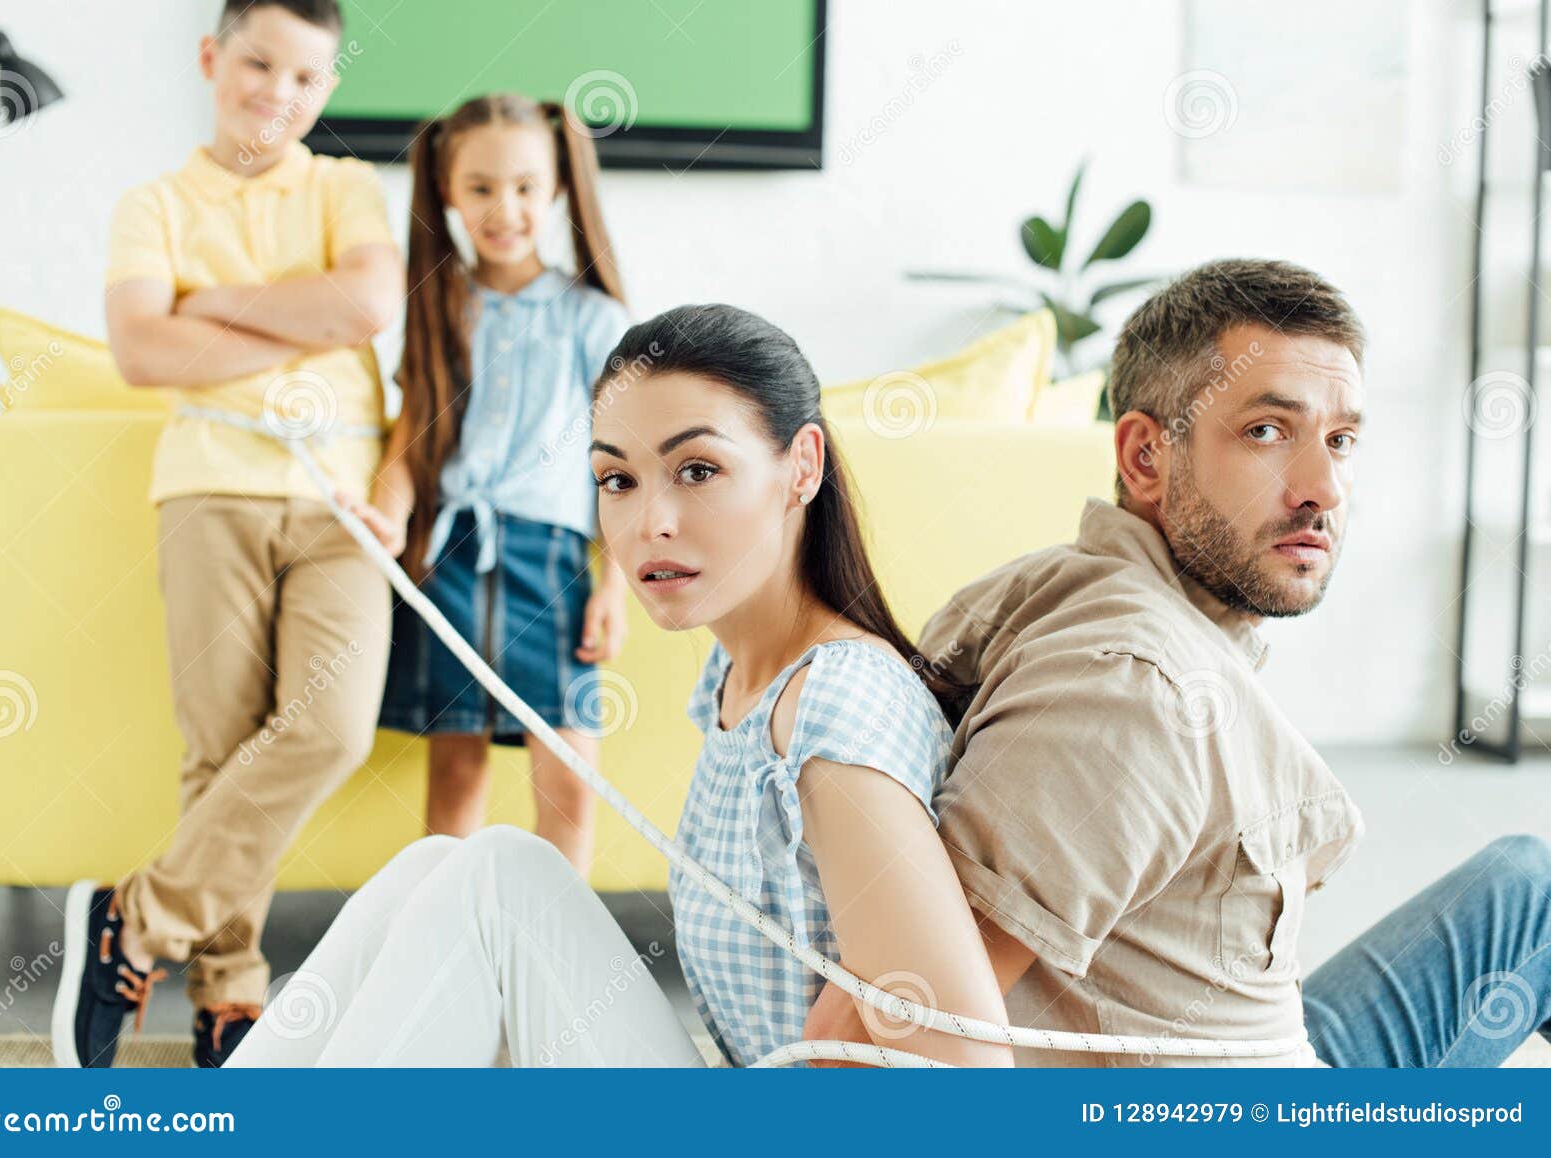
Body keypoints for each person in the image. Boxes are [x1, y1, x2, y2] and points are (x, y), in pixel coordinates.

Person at [801, 257, 1551, 1067]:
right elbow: (870, 1044)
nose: (1323, 487)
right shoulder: (1129, 690)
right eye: (1267, 431)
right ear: (1145, 457)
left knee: (1530, 885)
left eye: (1341, 441)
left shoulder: (1083, 588)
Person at [228, 305, 1013, 1067]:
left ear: (801, 467)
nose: (650, 522)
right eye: (617, 480)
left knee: (499, 877)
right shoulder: (738, 680)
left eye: (697, 470)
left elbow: (963, 1066)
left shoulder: (833, 702)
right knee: (438, 865)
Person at [53, 0, 402, 1069]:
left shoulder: (346, 188)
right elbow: (144, 350)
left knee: (329, 725)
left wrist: (214, 306)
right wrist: (296, 310)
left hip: (342, 504)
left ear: (328, 90)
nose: (279, 95)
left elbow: (367, 307)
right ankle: (230, 997)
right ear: (213, 58)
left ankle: (132, 922)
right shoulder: (152, 204)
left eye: (306, 79)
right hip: (210, 490)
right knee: (222, 743)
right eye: (259, 66)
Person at [340, 94, 630, 865]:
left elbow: (625, 466)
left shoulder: (591, 318)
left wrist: (614, 587)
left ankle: (561, 966)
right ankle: (452, 950)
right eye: (480, 188)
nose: (505, 208)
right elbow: (412, 438)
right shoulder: (439, 307)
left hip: (554, 566)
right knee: (456, 776)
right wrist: (385, 514)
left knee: (568, 776)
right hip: (451, 561)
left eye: (526, 187)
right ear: (446, 192)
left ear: (559, 188)